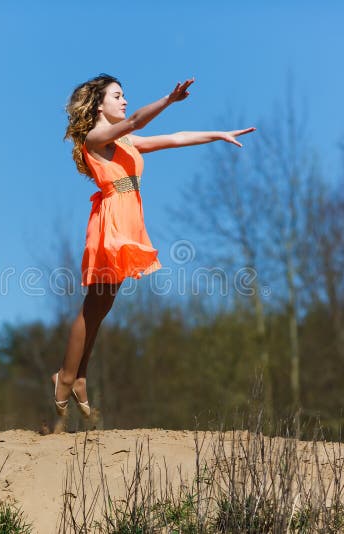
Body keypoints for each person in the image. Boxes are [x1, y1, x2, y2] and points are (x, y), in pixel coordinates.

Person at [52, 73, 255, 422]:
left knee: (102, 306)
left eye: (124, 96)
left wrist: (218, 134)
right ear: (99, 105)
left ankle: (80, 377)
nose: (124, 101)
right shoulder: (96, 137)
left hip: (128, 219)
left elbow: (175, 138)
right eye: (117, 95)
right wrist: (168, 100)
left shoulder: (125, 142)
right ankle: (64, 378)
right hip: (111, 222)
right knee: (93, 306)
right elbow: (134, 120)